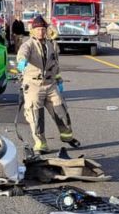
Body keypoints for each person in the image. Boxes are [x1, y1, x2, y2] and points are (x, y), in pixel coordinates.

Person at [16, 14, 80, 154]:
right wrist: (21, 62)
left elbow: (55, 65)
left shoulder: (51, 44)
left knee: (60, 110)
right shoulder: (28, 44)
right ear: (33, 31)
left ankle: (67, 136)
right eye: (37, 29)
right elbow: (22, 54)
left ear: (46, 30)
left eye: (43, 29)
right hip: (34, 85)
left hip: (50, 84)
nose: (41, 32)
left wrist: (59, 80)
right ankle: (41, 144)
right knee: (36, 116)